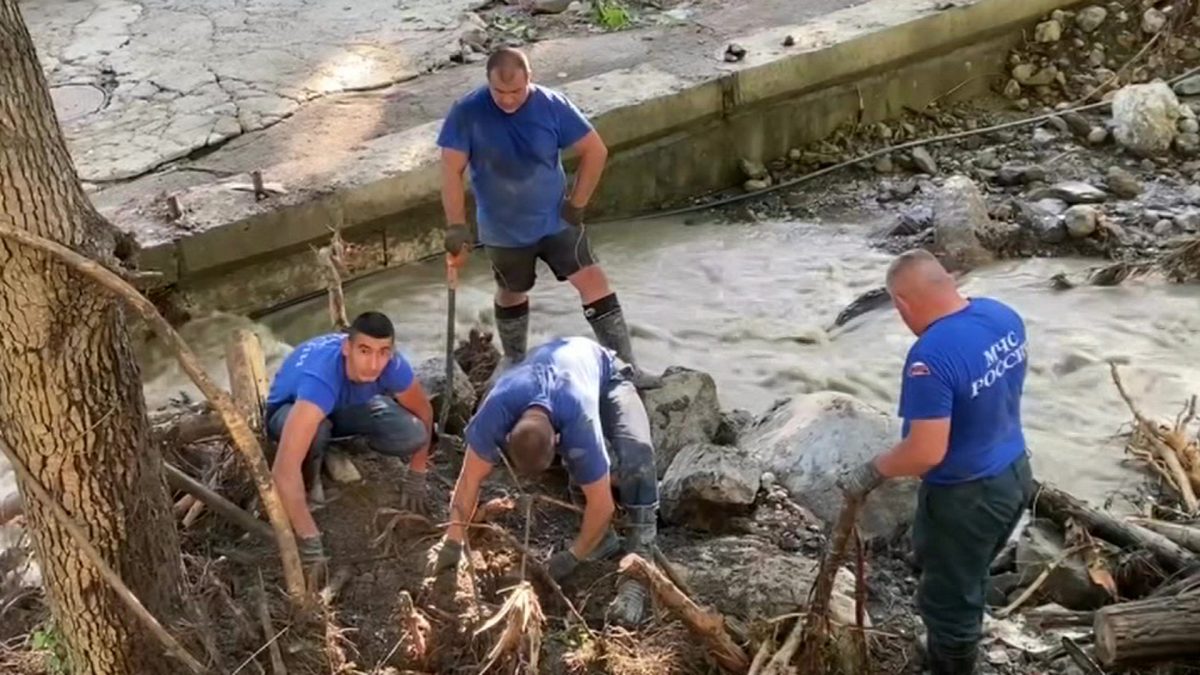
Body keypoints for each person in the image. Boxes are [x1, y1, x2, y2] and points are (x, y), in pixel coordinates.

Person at [838, 249, 1035, 675]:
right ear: (949, 280)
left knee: (949, 601)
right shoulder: (1001, 316)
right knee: (964, 573)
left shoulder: (930, 357)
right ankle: (955, 640)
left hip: (967, 495)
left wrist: (870, 471)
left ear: (902, 304)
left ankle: (951, 664)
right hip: (1016, 471)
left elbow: (926, 452)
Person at [436, 46, 658, 388]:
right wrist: (456, 225)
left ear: (530, 79)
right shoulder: (467, 112)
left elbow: (595, 150)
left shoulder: (552, 105)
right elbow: (450, 170)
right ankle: (513, 361)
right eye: (499, 92)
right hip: (502, 228)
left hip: (556, 220)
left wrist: (578, 202)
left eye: (516, 91)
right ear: (487, 82)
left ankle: (625, 366)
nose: (507, 100)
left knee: (593, 281)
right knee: (511, 291)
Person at [432, 336, 658, 626]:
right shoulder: (495, 410)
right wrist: (452, 542)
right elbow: (468, 480)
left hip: (608, 375)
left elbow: (603, 506)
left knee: (637, 455)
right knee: (588, 466)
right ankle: (601, 541)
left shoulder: (579, 419)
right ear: (507, 434)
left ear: (559, 438)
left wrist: (571, 557)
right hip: (548, 376)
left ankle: (641, 553)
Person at [266, 311, 435, 568]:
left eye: (383, 352)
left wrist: (417, 473)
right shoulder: (319, 381)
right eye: (364, 351)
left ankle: (343, 444)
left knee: (413, 433)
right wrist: (309, 541)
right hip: (289, 411)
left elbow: (424, 412)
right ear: (347, 348)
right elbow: (282, 471)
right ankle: (311, 478)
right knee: (317, 430)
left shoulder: (393, 366)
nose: (374, 364)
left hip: (342, 407)